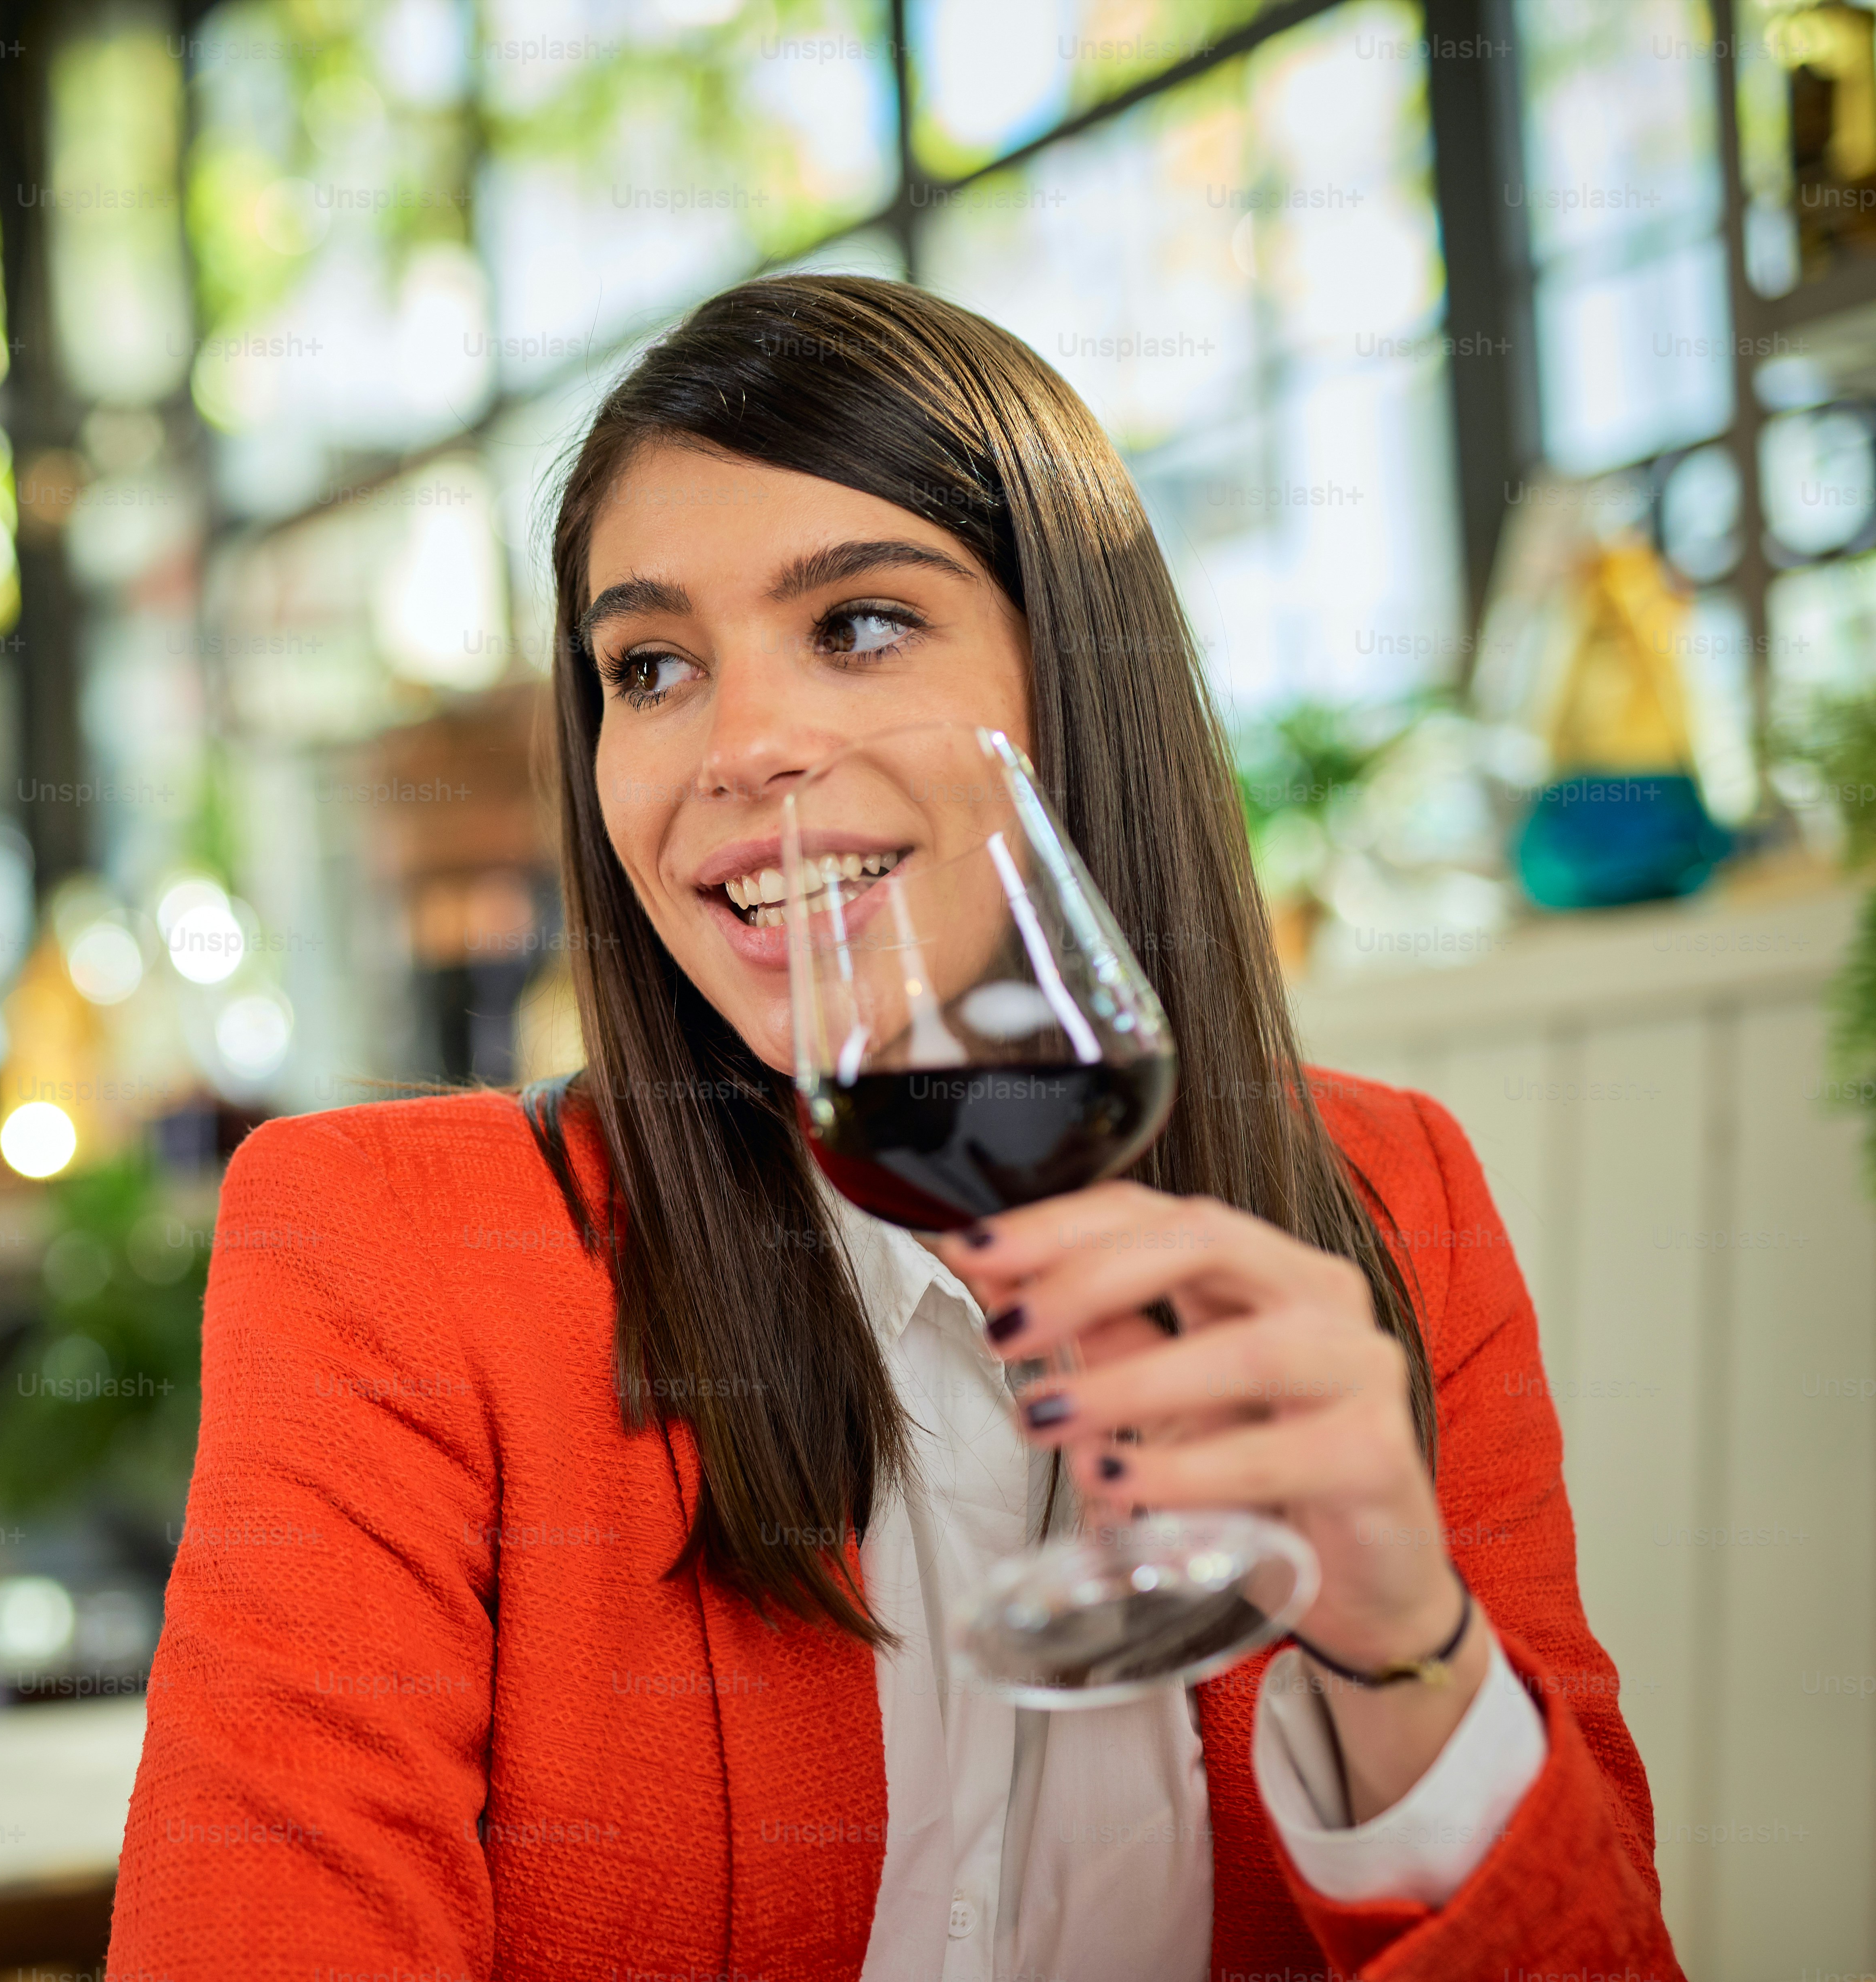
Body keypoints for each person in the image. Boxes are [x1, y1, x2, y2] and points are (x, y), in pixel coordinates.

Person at [107, 276, 1678, 1981]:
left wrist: (1399, 1656)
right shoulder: (391, 1248)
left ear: (1078, 681)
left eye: (857, 622)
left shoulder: (1390, 1202)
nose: (743, 747)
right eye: (651, 666)